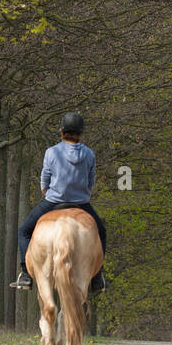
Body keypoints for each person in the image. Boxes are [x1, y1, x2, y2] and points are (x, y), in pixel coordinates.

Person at [11, 111, 108, 293]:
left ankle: (25, 274)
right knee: (101, 232)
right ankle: (97, 277)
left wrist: (45, 190)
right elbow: (90, 181)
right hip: (81, 204)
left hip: (53, 202)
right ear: (81, 133)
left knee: (24, 230)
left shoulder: (51, 152)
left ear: (61, 131)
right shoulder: (89, 154)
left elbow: (45, 178)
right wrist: (82, 193)